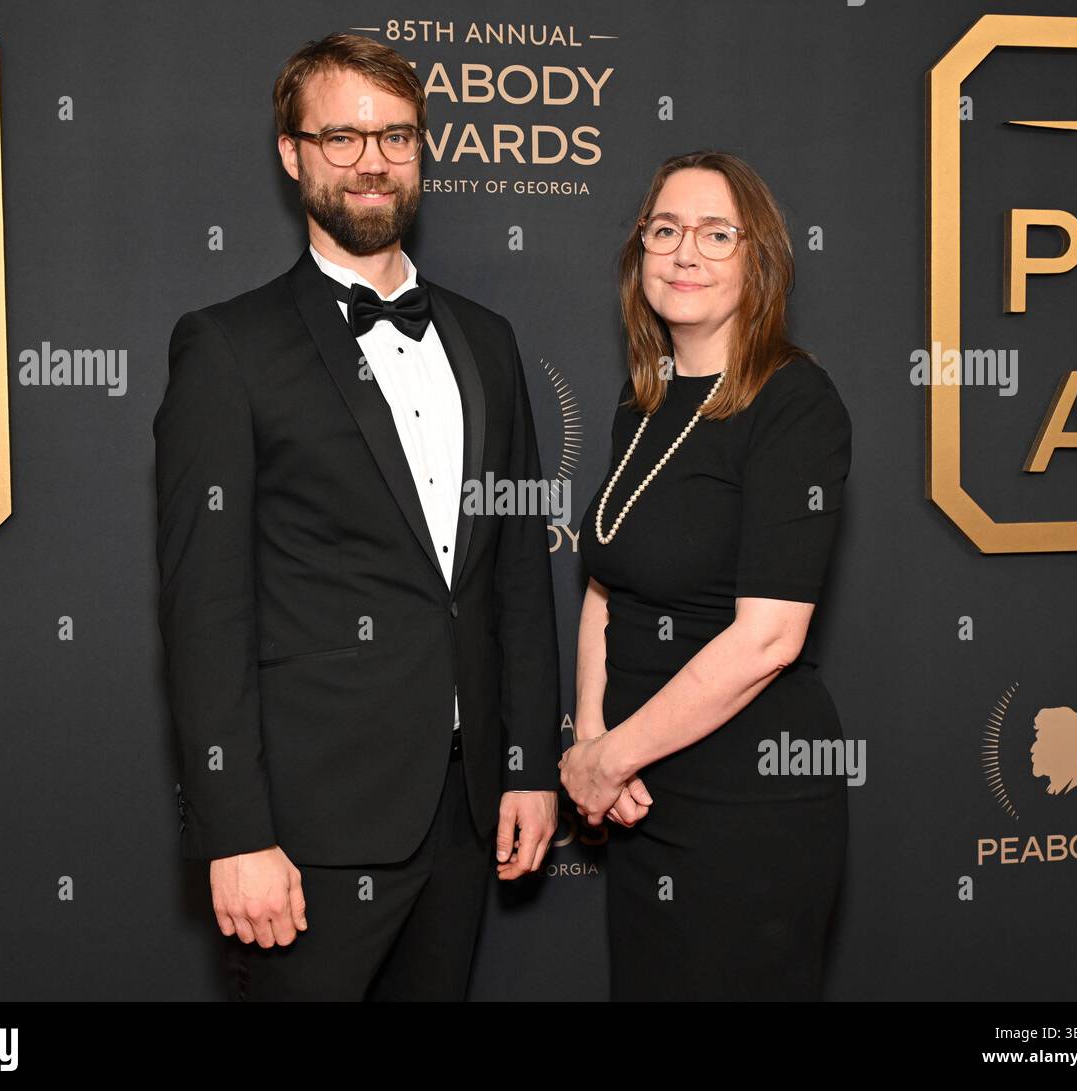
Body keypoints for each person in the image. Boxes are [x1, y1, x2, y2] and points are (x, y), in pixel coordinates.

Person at [152, 32, 560, 1001]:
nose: (371, 160)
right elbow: (204, 615)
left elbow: (514, 579)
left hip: (464, 817)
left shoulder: (487, 342)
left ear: (422, 150)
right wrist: (236, 831)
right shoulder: (227, 348)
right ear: (291, 153)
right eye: (340, 136)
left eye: (395, 135)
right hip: (304, 833)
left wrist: (531, 765)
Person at [560, 151, 852, 1001]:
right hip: (641, 794)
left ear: (760, 260)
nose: (686, 253)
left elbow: (768, 637)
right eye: (666, 230)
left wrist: (610, 756)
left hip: (747, 800)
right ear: (639, 254)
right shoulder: (642, 399)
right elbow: (606, 584)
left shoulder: (795, 402)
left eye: (717, 233)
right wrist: (588, 742)